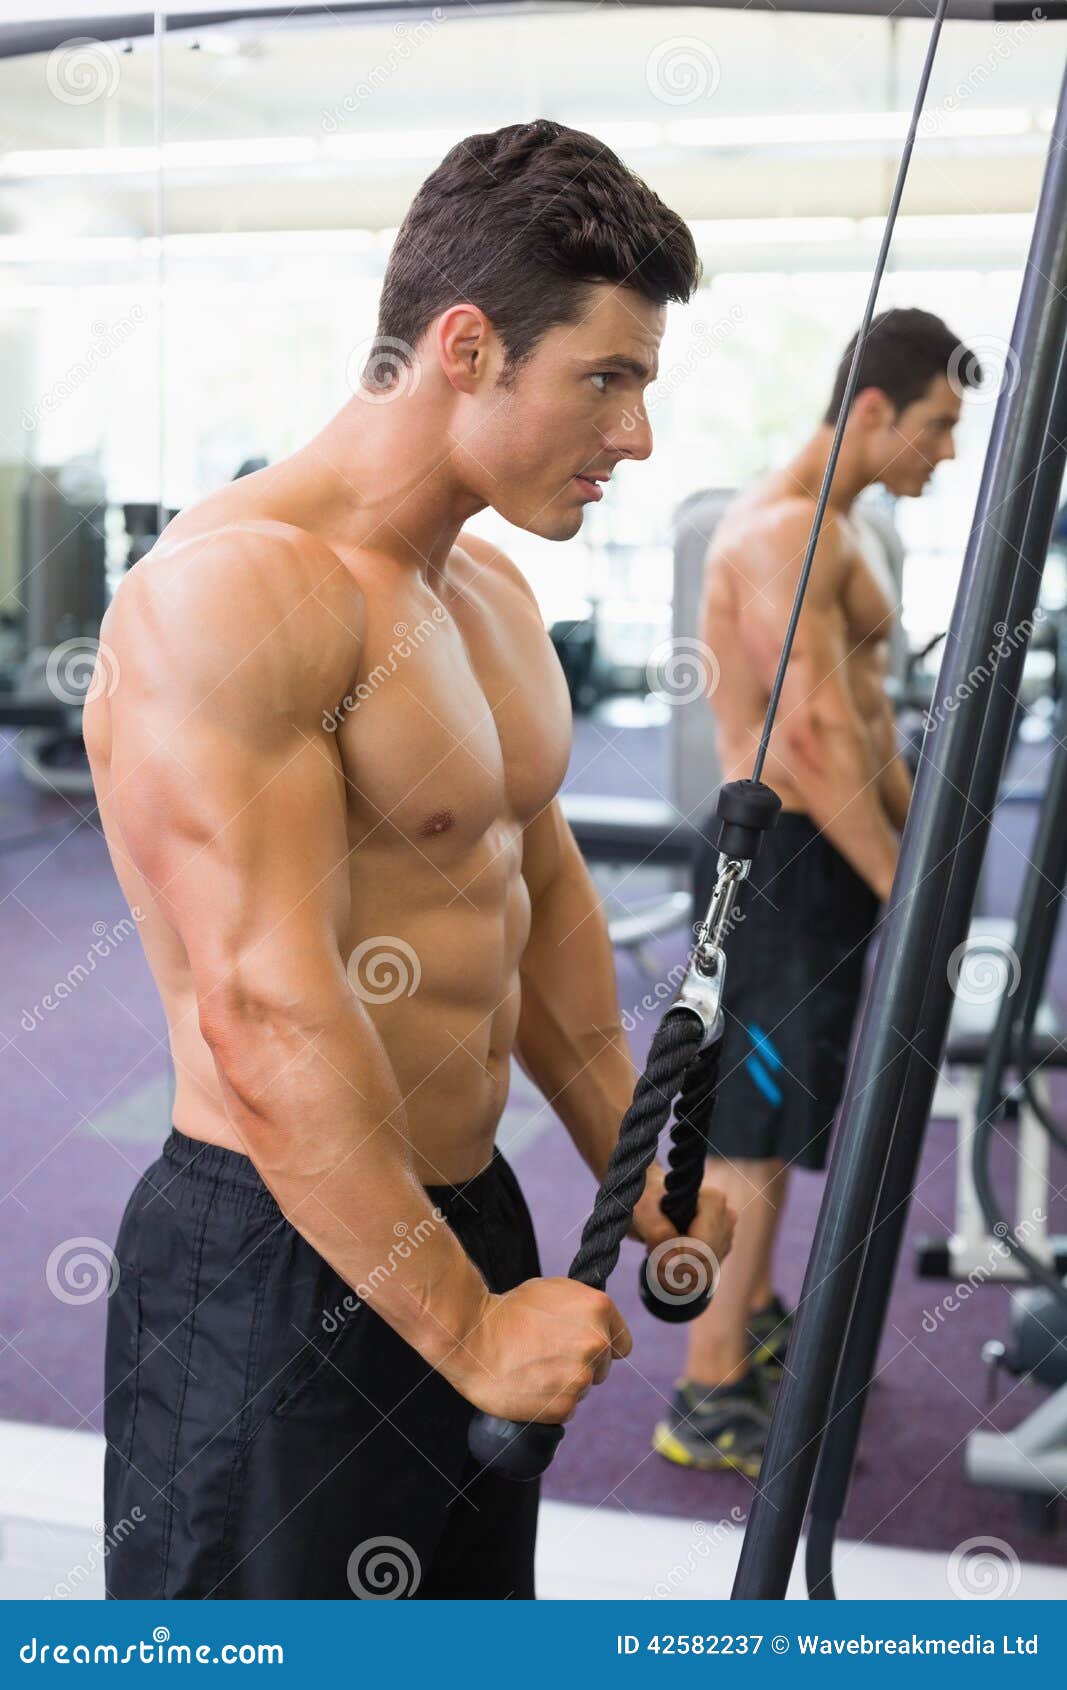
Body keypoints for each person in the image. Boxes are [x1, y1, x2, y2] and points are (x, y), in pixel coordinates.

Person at [84, 120, 735, 1601]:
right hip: (273, 1258)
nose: (634, 435)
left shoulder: (488, 592)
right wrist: (469, 1329)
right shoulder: (230, 597)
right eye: (605, 377)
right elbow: (261, 1010)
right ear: (463, 345)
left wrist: (620, 1146)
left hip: (467, 1207)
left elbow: (538, 888)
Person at [653, 307, 981, 1476]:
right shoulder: (788, 531)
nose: (944, 452)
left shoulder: (840, 525)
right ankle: (704, 1392)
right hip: (783, 870)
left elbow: (866, 721)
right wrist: (908, 891)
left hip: (818, 867)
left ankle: (748, 1319)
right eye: (936, 428)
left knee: (781, 1122)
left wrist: (918, 855)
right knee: (744, 1131)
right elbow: (806, 737)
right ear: (875, 409)